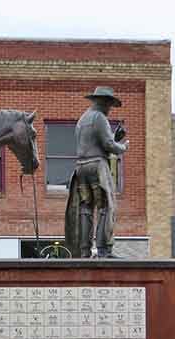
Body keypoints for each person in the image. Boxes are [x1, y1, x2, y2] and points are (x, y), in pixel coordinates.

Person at [65, 86, 129, 258]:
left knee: (85, 208)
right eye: (109, 105)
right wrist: (122, 146)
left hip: (81, 168)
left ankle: (84, 251)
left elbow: (94, 143)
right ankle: (103, 250)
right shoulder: (99, 117)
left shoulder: (82, 119)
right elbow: (108, 146)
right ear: (103, 102)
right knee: (106, 207)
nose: (109, 109)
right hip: (97, 166)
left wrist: (115, 138)